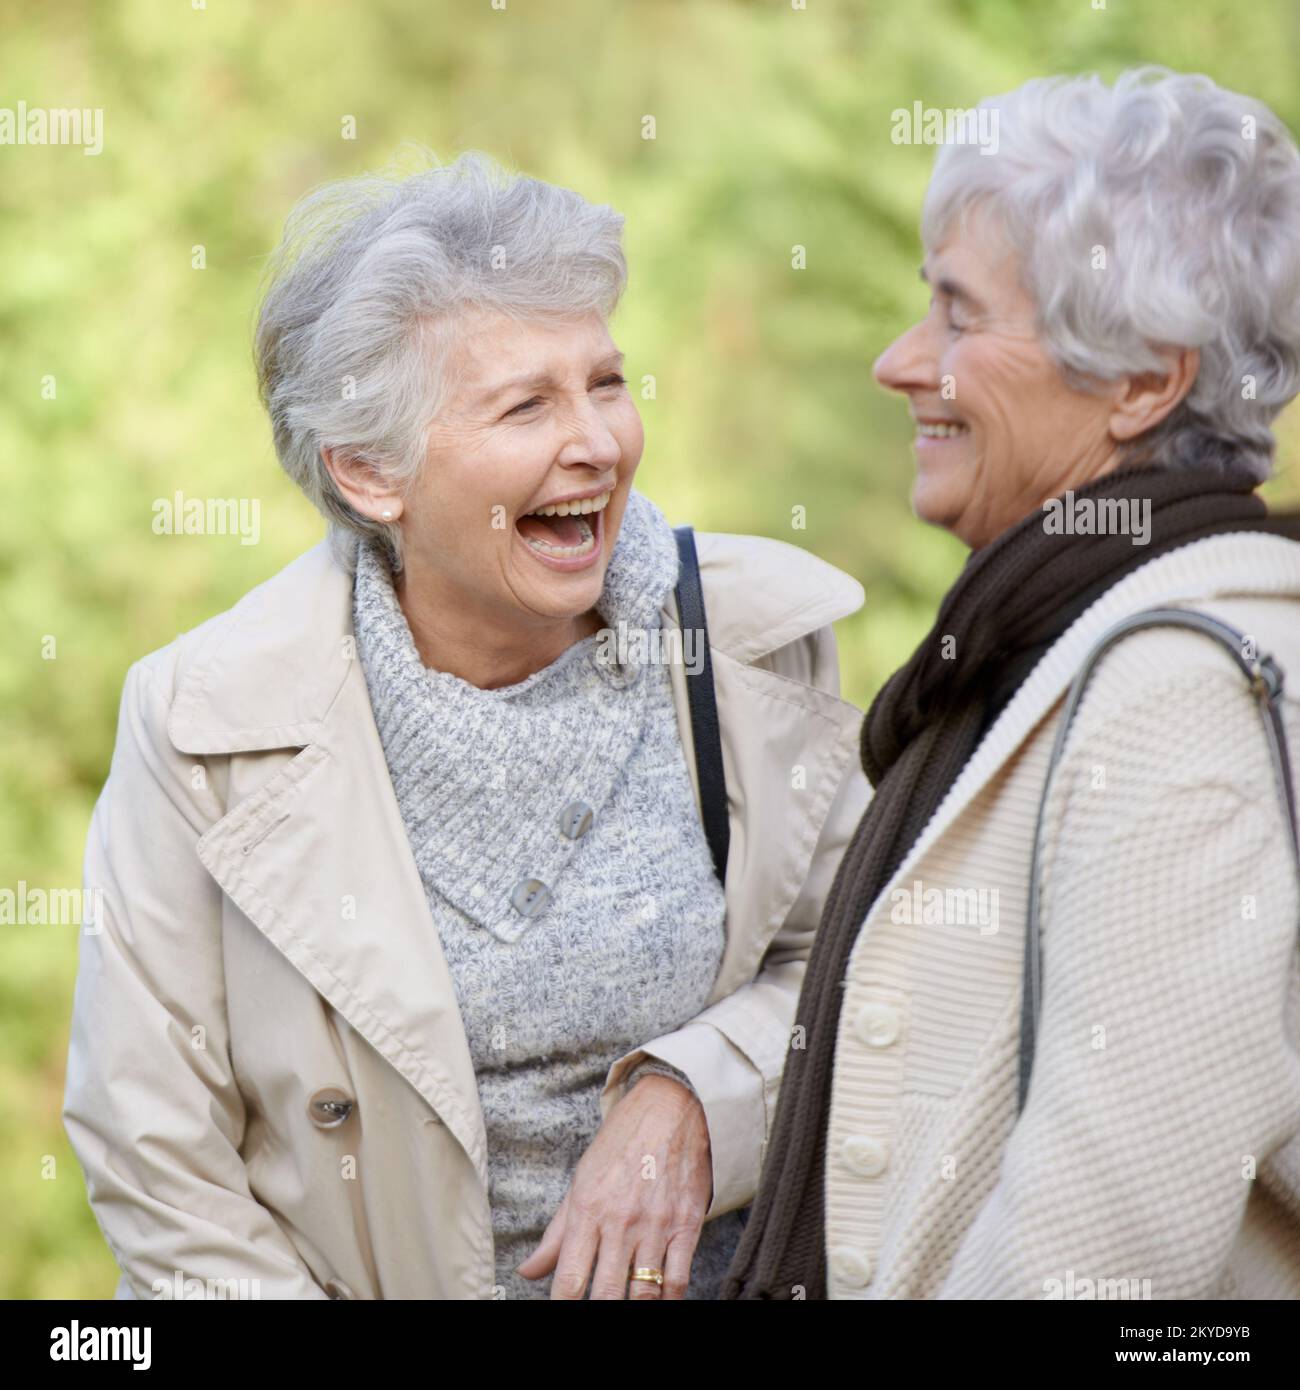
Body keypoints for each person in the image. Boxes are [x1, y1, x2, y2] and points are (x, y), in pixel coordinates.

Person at [62, 152, 869, 1300]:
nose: (596, 441)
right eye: (526, 404)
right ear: (368, 474)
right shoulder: (205, 723)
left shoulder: (745, 642)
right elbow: (154, 1147)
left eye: (605, 382)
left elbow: (863, 981)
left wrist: (692, 1096)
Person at [725, 67, 1300, 1300]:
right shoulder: (1054, 635)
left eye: (955, 315)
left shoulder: (1174, 689)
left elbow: (1102, 1246)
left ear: (1143, 379)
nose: (897, 362)